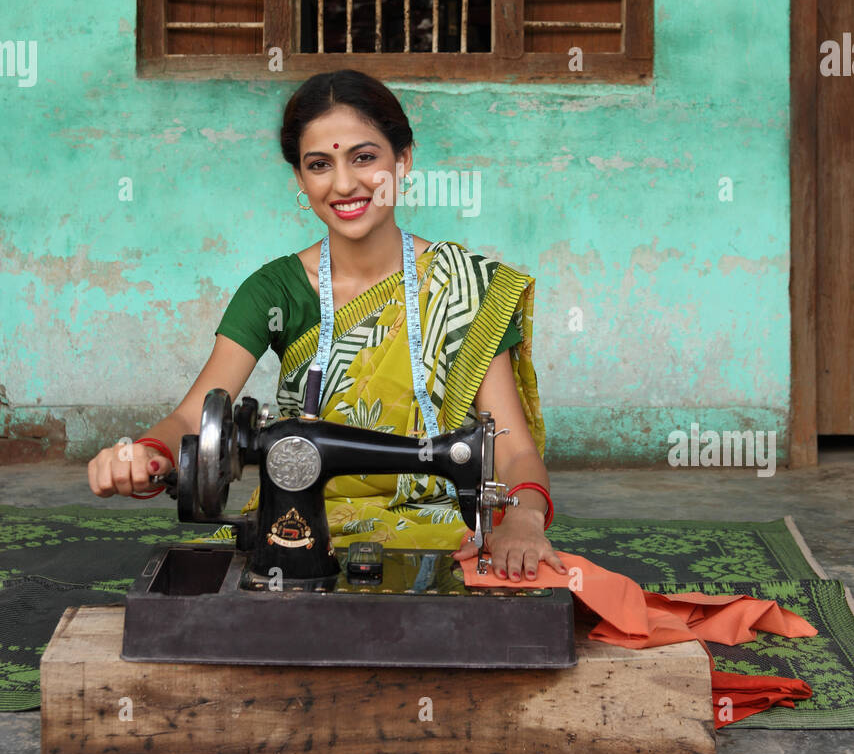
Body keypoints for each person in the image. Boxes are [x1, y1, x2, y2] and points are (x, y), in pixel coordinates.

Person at [88, 69, 566, 583]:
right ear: (300, 179)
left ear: (403, 160)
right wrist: (145, 454)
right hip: (301, 529)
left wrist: (522, 515)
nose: (343, 184)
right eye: (320, 164)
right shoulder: (275, 291)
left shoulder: (468, 287)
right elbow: (192, 420)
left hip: (446, 537)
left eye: (364, 157)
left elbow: (513, 449)